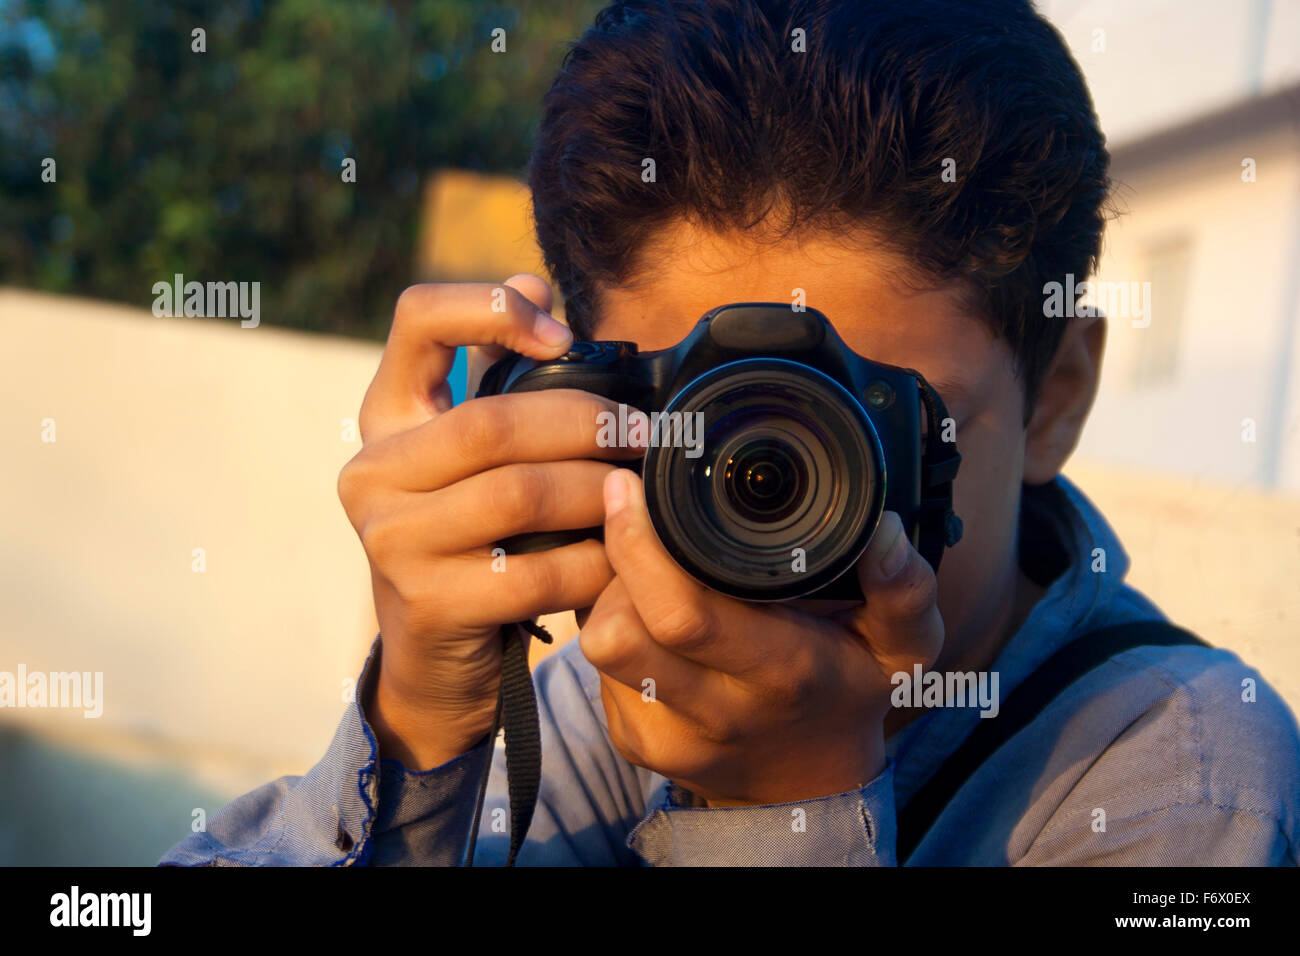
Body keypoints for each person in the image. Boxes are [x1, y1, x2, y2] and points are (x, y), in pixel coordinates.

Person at [161, 0, 1300, 866]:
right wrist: (419, 739)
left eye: (858, 425)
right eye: (687, 424)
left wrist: (782, 808)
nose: (760, 504)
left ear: (1056, 393)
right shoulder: (616, 674)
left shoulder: (1179, 767)